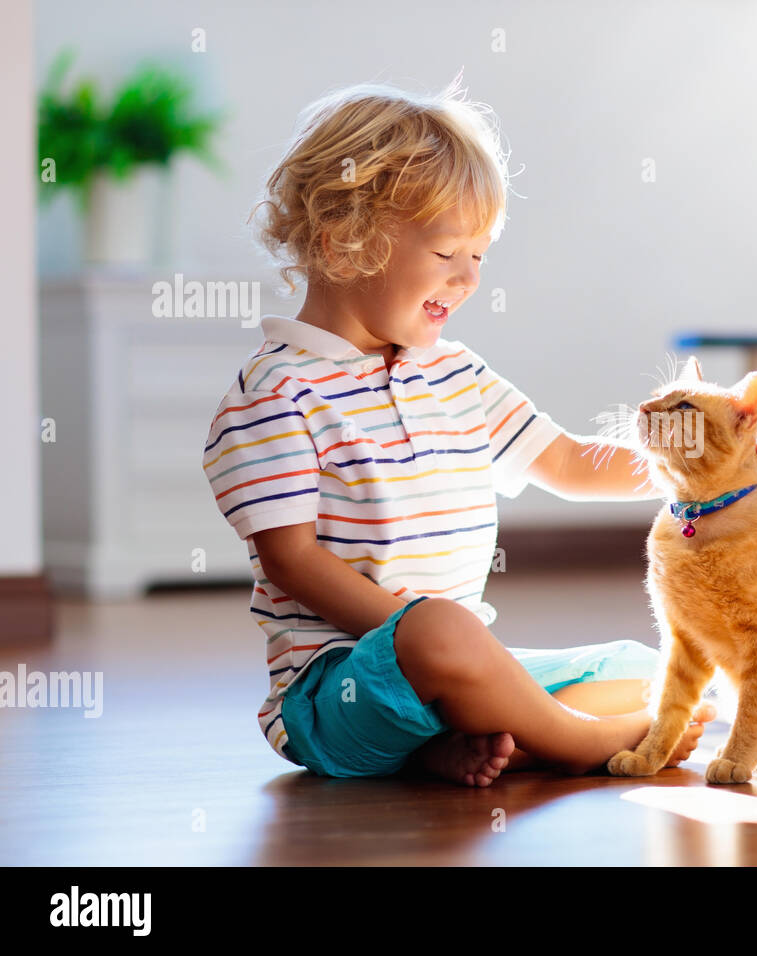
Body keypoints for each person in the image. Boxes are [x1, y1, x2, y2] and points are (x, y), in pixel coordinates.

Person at [202, 76, 715, 786]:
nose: (470, 278)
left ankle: (471, 743)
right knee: (441, 630)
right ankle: (580, 742)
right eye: (448, 254)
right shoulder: (277, 392)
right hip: (341, 692)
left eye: (481, 254)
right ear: (346, 242)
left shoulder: (455, 375)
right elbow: (292, 562)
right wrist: (420, 635)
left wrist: (692, 469)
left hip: (461, 667)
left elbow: (567, 460)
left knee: (643, 668)